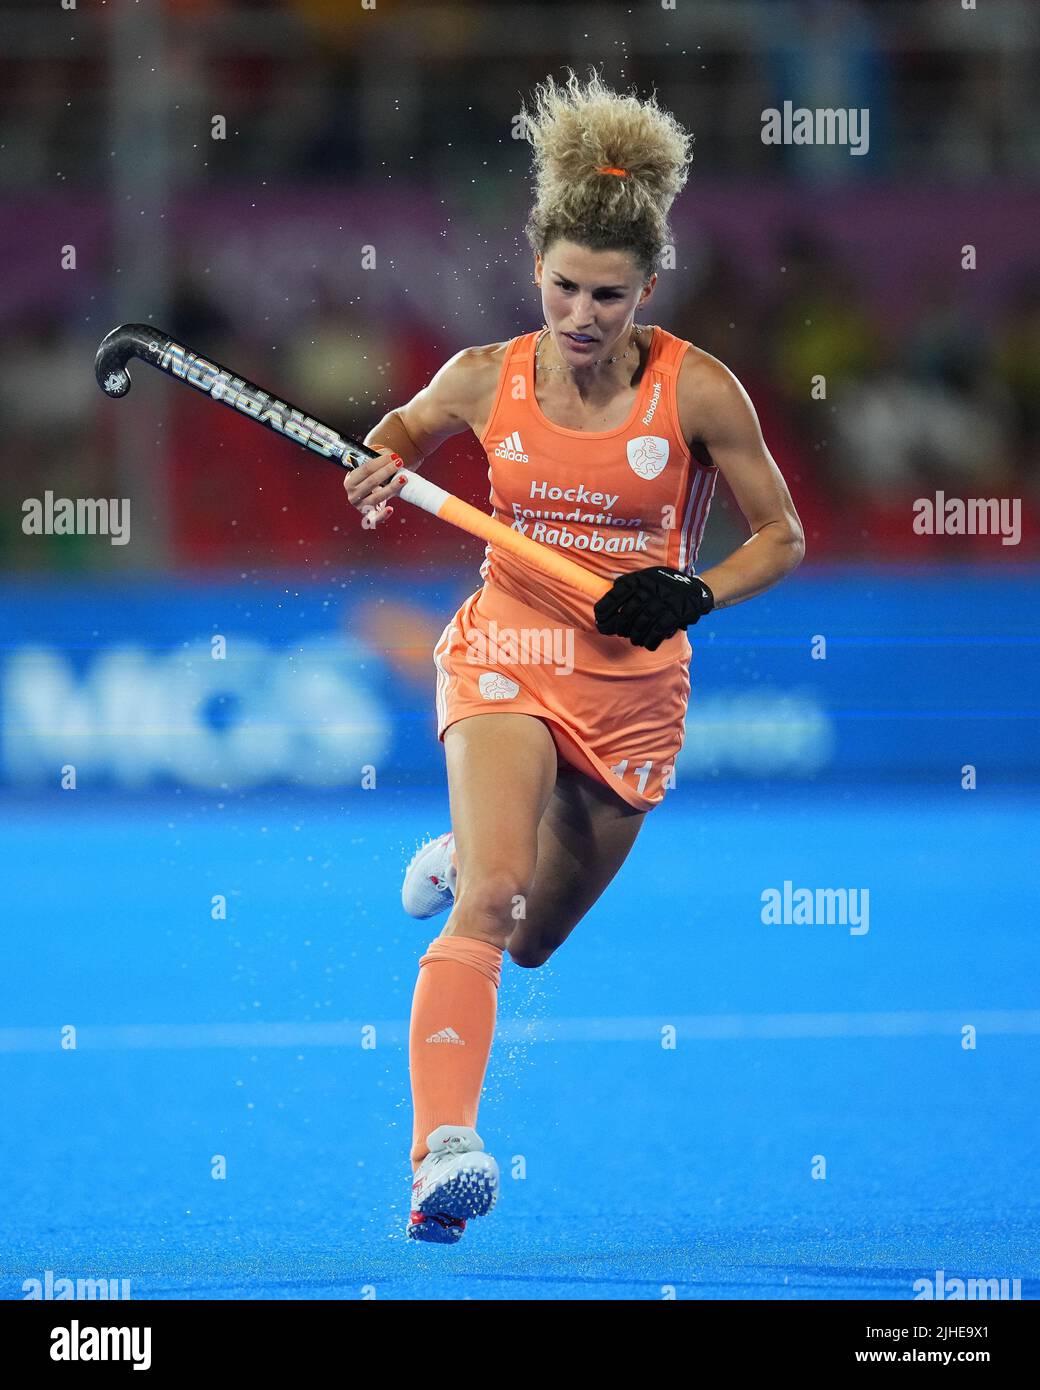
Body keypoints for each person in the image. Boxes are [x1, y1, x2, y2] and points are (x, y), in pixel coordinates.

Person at [343, 69, 804, 1243]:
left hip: (632, 688)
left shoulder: (697, 390)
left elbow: (781, 536)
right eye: (561, 287)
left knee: (534, 937)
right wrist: (379, 461)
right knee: (494, 903)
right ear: (534, 271)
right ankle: (441, 1152)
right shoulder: (484, 376)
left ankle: (464, 846)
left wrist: (692, 591)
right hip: (503, 645)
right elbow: (399, 430)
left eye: (606, 294)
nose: (581, 315)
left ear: (646, 285)